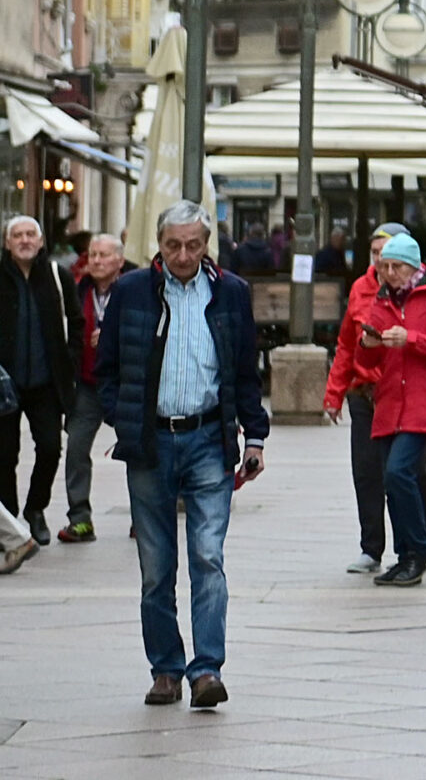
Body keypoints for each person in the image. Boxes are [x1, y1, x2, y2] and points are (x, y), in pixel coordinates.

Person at [93, 201, 269, 708]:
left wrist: (254, 437)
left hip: (209, 439)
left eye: (194, 245)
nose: (184, 254)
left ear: (207, 244)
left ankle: (207, 669)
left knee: (208, 558)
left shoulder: (231, 293)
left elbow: (245, 373)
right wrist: (122, 416)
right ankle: (166, 669)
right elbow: (105, 370)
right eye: (174, 245)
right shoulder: (131, 292)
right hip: (150, 443)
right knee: (156, 566)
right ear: (158, 244)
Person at [343, 234, 426, 587]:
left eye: (396, 266)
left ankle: (418, 550)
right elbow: (365, 356)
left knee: (400, 472)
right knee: (391, 479)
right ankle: (404, 557)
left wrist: (411, 339)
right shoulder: (381, 300)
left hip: (422, 402)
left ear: (413, 266)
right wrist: (368, 344)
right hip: (388, 402)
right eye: (383, 266)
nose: (389, 273)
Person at [325, 230, 426, 575]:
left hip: (410, 396)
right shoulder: (367, 290)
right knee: (368, 473)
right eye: (376, 254)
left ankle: (425, 537)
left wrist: (409, 341)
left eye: (390, 258)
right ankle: (374, 550)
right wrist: (335, 392)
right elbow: (348, 344)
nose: (382, 264)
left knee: (408, 472)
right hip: (367, 393)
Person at [59, 231, 135, 545]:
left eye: (104, 255)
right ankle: (79, 518)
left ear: (119, 260)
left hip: (125, 384)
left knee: (137, 451)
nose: (97, 261)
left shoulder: (134, 291)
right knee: (76, 448)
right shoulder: (77, 292)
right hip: (88, 384)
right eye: (93, 255)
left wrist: (114, 338)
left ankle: (143, 517)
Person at [0, 215, 70, 541]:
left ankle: (35, 508)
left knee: (51, 448)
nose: (25, 240)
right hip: (5, 385)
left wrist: (70, 372)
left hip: (46, 383)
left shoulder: (57, 276)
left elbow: (78, 325)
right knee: (4, 455)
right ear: (7, 243)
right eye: (18, 235)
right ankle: (10, 520)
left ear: (41, 242)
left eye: (31, 235)